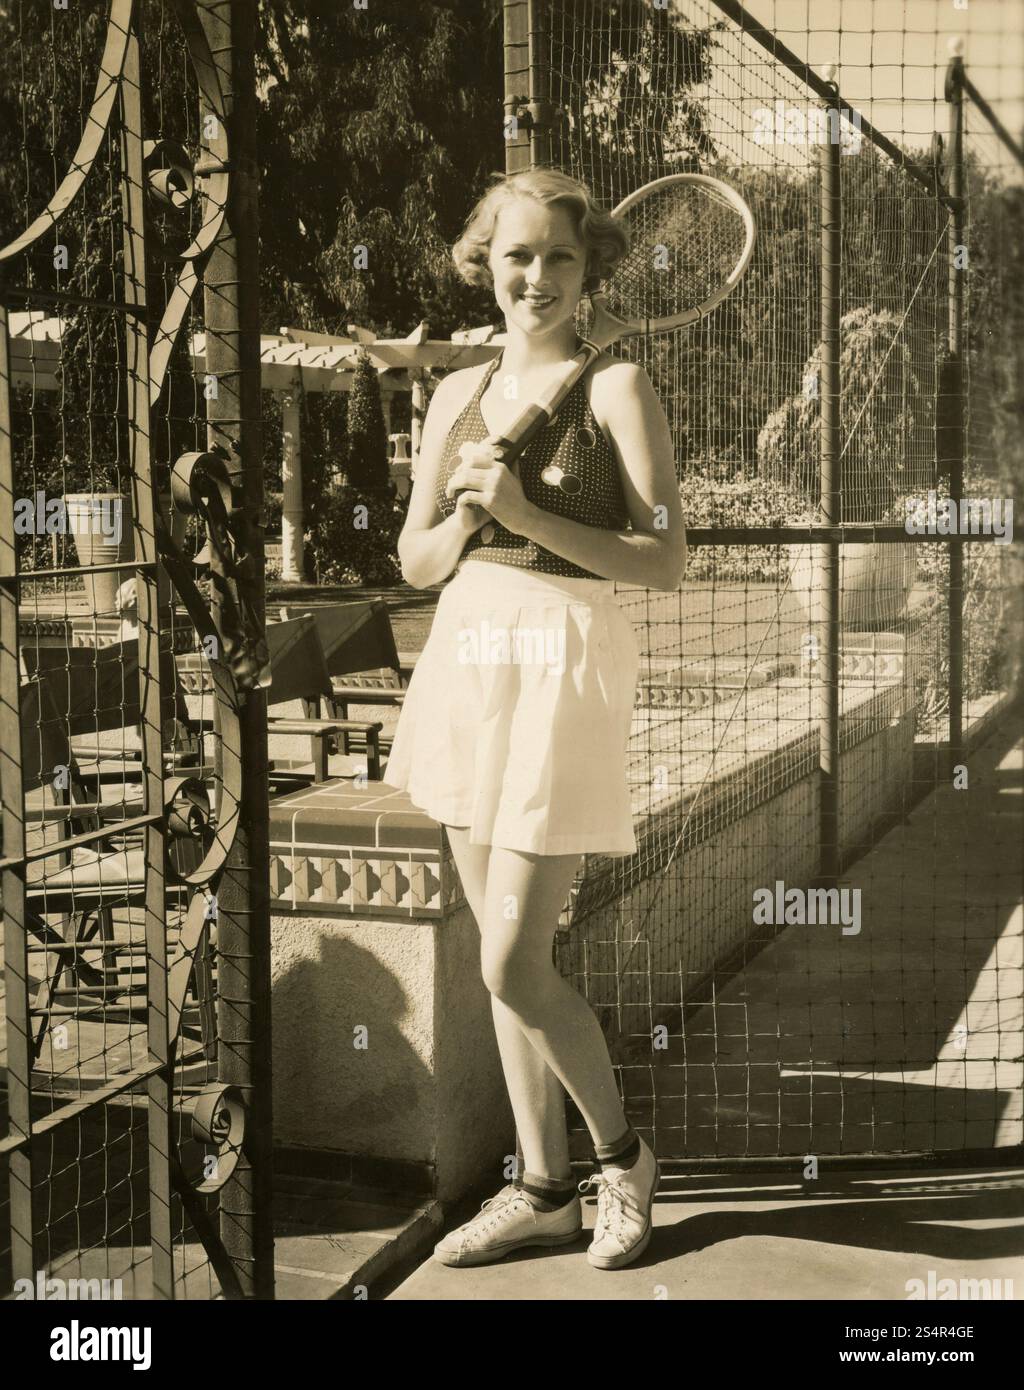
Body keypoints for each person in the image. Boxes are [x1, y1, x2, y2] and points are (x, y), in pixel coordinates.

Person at [386, 168, 686, 1270]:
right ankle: (544, 1185)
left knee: (515, 960)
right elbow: (414, 561)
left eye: (560, 256)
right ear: (484, 262)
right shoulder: (454, 391)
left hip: (563, 663)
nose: (537, 276)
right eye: (516, 254)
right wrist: (468, 519)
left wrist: (521, 510)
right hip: (470, 658)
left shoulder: (615, 389)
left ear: (589, 267)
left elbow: (665, 560)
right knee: (495, 961)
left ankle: (625, 1159)